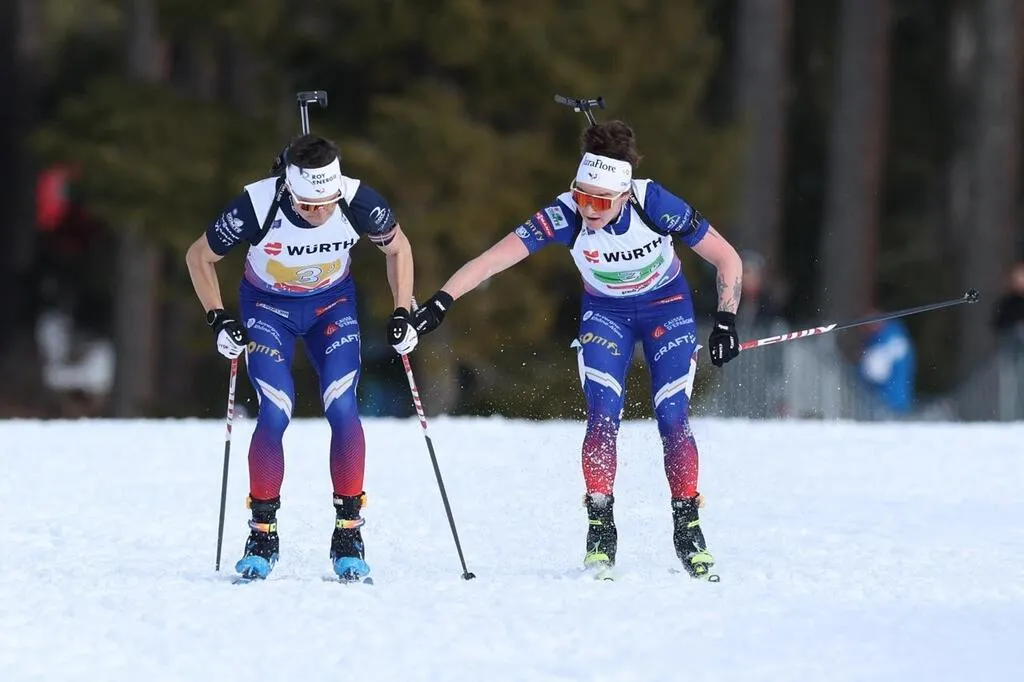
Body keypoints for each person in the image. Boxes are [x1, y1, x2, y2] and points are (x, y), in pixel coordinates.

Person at [412, 121, 743, 580]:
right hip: (606, 314)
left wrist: (726, 318)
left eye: (600, 201)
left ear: (624, 195)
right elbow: (493, 258)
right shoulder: (565, 214)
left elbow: (728, 258)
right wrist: (441, 302)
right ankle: (600, 527)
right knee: (603, 414)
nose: (588, 210)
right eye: (581, 196)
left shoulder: (654, 204)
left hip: (667, 308)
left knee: (672, 416)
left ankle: (688, 529)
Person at [185, 134, 419, 582]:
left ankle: (349, 534)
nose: (319, 213)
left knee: (343, 405)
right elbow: (199, 256)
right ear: (288, 188)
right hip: (267, 308)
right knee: (275, 410)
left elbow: (398, 248)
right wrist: (217, 318)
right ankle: (262, 533)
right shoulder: (257, 203)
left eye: (327, 203)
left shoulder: (357, 200)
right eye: (308, 206)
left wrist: (403, 309)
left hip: (332, 307)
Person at [857, 315, 915, 416]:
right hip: (899, 398)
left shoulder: (887, 338)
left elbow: (875, 370)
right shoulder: (896, 334)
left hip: (887, 401)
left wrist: (862, 368)